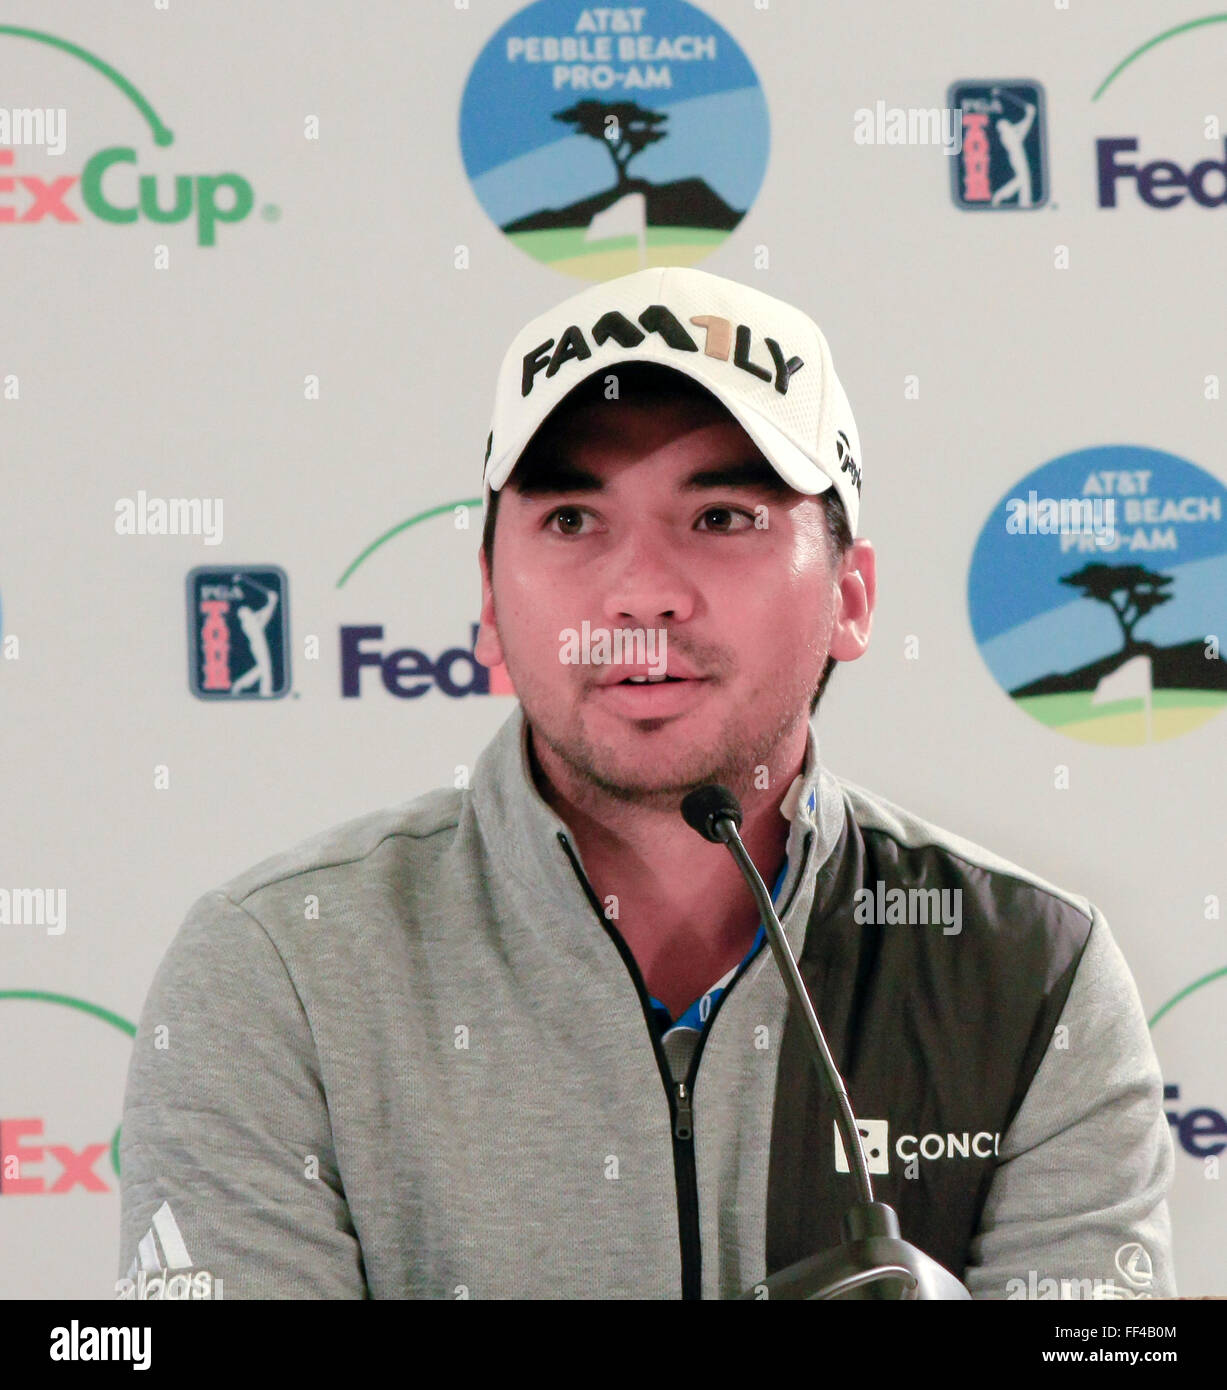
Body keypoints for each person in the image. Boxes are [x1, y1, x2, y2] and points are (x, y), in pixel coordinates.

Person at [117, 266, 1175, 1300]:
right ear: (489, 599)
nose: (641, 592)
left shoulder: (1031, 972)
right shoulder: (278, 969)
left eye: (722, 517)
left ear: (851, 599)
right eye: (573, 520)